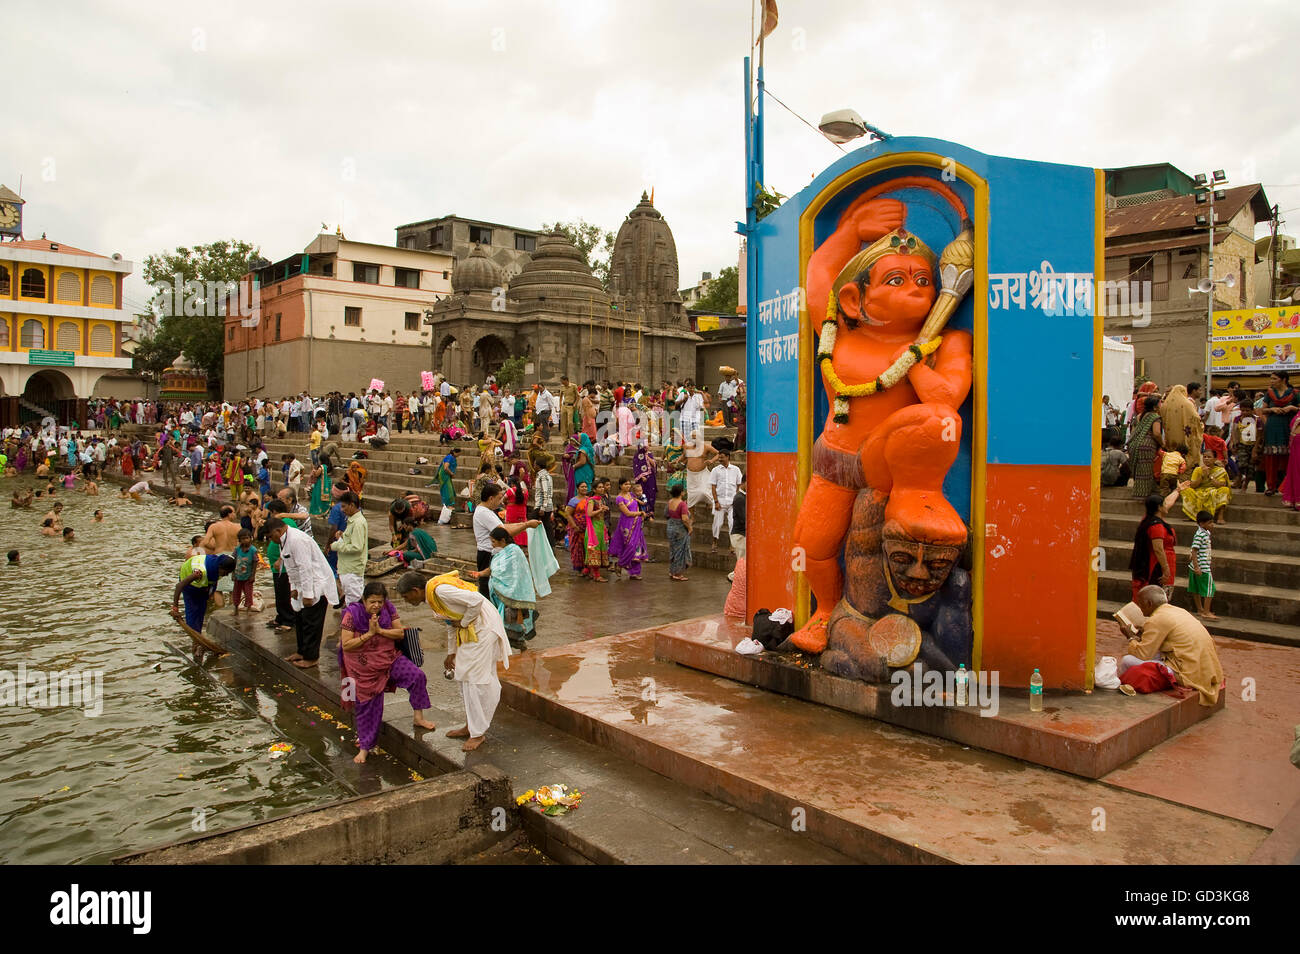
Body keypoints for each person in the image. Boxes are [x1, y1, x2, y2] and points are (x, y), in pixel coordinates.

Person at [397, 569, 512, 752]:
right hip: (473, 629)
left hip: (484, 628)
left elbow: (476, 600)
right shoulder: (432, 596)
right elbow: (451, 622)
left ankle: (478, 733)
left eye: (406, 596)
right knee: (463, 676)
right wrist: (451, 652)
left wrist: (464, 622)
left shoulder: (439, 591)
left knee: (476, 680)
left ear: (416, 590)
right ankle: (471, 725)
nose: (406, 601)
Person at [338, 581, 436, 763]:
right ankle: (365, 747)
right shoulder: (351, 614)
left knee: (416, 676)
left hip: (389, 657)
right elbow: (347, 645)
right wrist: (369, 633)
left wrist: (380, 631)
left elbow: (399, 633)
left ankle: (418, 717)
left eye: (380, 602)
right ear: (364, 600)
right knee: (368, 705)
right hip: (363, 667)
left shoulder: (388, 609)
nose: (376, 606)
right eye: (372, 602)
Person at [1123, 586, 1225, 706]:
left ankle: (1122, 687)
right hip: (1205, 669)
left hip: (1187, 672)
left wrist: (1130, 638)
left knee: (1127, 660)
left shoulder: (1156, 619)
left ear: (1149, 603)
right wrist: (1141, 635)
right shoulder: (1178, 610)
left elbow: (1143, 654)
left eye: (1140, 605)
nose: (1139, 609)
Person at [266, 517, 340, 668]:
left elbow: (305, 568)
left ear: (278, 531)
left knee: (311, 622)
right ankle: (302, 651)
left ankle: (312, 657)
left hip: (315, 584)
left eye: (270, 536)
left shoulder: (297, 540)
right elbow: (291, 566)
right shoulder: (283, 540)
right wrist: (294, 587)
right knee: (299, 619)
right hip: (301, 584)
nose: (270, 540)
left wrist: (307, 594)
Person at [475, 526, 540, 650]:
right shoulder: (500, 553)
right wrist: (479, 574)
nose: (492, 545)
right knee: (502, 627)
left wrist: (506, 588)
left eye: (493, 541)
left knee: (508, 626)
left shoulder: (514, 552)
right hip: (502, 597)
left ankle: (517, 652)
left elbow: (514, 574)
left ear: (503, 541)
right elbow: (493, 569)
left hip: (512, 594)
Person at [472, 484, 539, 596]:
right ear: (491, 498)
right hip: (487, 554)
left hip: (490, 553)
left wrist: (524, 524)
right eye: (499, 499)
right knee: (487, 588)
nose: (501, 502)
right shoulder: (484, 512)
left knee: (492, 585)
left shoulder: (486, 511)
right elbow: (504, 532)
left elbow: (503, 527)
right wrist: (526, 525)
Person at [171, 552, 237, 662]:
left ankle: (198, 641)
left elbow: (213, 581)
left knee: (201, 611)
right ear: (220, 567)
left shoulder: (217, 564)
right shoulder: (199, 573)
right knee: (192, 614)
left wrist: (209, 593)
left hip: (204, 586)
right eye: (225, 572)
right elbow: (179, 586)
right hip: (189, 586)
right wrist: (175, 607)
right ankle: (196, 643)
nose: (226, 575)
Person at [1130, 487, 1183, 602]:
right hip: (1157, 564)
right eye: (1163, 504)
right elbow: (1158, 549)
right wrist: (1166, 569)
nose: (1166, 505)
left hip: (1161, 561)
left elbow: (1168, 502)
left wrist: (1177, 491)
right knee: (1156, 598)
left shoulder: (1148, 518)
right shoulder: (1156, 526)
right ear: (1159, 507)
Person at [1261, 371, 1298, 495]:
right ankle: (1271, 486)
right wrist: (1272, 409)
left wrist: (1292, 408)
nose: (1271, 381)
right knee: (1271, 457)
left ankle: (1287, 486)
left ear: (1283, 380)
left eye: (1274, 379)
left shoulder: (1295, 394)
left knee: (1289, 457)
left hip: (1289, 427)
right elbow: (1262, 410)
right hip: (1272, 426)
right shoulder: (1269, 394)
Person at [330, 491, 369, 606]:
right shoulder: (354, 521)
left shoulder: (357, 523)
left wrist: (336, 546)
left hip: (352, 569)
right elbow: (352, 540)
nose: (342, 510)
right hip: (348, 568)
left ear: (352, 505)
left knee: (354, 601)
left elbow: (356, 547)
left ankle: (355, 622)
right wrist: (343, 536)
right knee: (352, 599)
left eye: (344, 506)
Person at [612, 478, 648, 580]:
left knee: (637, 547)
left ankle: (634, 572)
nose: (627, 486)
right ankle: (620, 564)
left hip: (637, 524)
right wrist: (640, 513)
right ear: (620, 486)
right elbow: (627, 513)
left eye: (628, 484)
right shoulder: (619, 498)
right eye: (625, 484)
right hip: (627, 524)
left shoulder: (632, 495)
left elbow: (642, 503)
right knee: (630, 546)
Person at [1181, 453, 1231, 524]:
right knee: (1186, 490)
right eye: (1204, 457)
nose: (1206, 459)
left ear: (1215, 459)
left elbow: (1220, 485)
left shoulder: (1221, 470)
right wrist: (1202, 476)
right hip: (1200, 490)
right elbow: (1193, 485)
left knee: (1225, 490)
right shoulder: (1198, 469)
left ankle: (1220, 516)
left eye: (1209, 457)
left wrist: (1210, 476)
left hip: (1214, 489)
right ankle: (1193, 515)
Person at [708, 451, 743, 553]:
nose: (720, 459)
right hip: (720, 501)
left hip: (732, 502)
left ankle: (732, 546)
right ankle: (714, 542)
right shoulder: (715, 470)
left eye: (722, 457)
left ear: (727, 457)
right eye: (719, 457)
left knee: (732, 524)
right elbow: (713, 487)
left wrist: (736, 498)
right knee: (717, 523)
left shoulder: (736, 470)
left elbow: (739, 485)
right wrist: (716, 502)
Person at [1187, 510, 1217, 620]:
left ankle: (1200, 609)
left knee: (1196, 588)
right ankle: (1206, 611)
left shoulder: (1204, 533)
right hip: (1202, 566)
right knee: (1210, 589)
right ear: (1202, 524)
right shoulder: (1200, 534)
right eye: (1209, 522)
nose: (1212, 524)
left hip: (1198, 564)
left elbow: (1194, 549)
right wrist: (1197, 567)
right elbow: (1194, 550)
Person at [665, 484, 692, 581]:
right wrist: (689, 528)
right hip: (680, 530)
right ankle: (678, 573)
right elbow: (684, 519)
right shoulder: (682, 504)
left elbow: (666, 514)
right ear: (681, 493)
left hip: (670, 528)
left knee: (673, 550)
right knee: (680, 552)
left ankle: (672, 571)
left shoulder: (670, 502)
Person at [231, 528, 259, 615]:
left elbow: (255, 562)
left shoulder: (253, 550)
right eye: (243, 538)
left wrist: (252, 575)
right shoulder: (237, 549)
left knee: (248, 593)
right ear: (239, 540)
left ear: (250, 538)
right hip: (238, 575)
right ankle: (236, 608)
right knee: (236, 592)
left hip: (248, 576)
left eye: (247, 538)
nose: (245, 540)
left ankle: (249, 608)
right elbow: (233, 561)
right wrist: (233, 573)